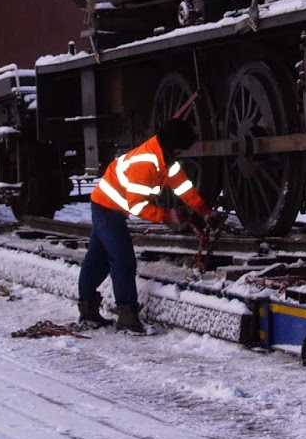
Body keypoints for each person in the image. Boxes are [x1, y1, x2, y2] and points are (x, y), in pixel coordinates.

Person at [78, 117, 214, 333]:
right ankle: (126, 317)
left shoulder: (165, 160)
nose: (180, 155)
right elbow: (136, 206)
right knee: (122, 260)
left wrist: (206, 212)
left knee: (97, 260)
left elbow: (184, 189)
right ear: (172, 146)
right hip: (106, 208)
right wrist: (167, 216)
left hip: (108, 206)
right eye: (179, 151)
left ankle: (87, 312)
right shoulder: (146, 162)